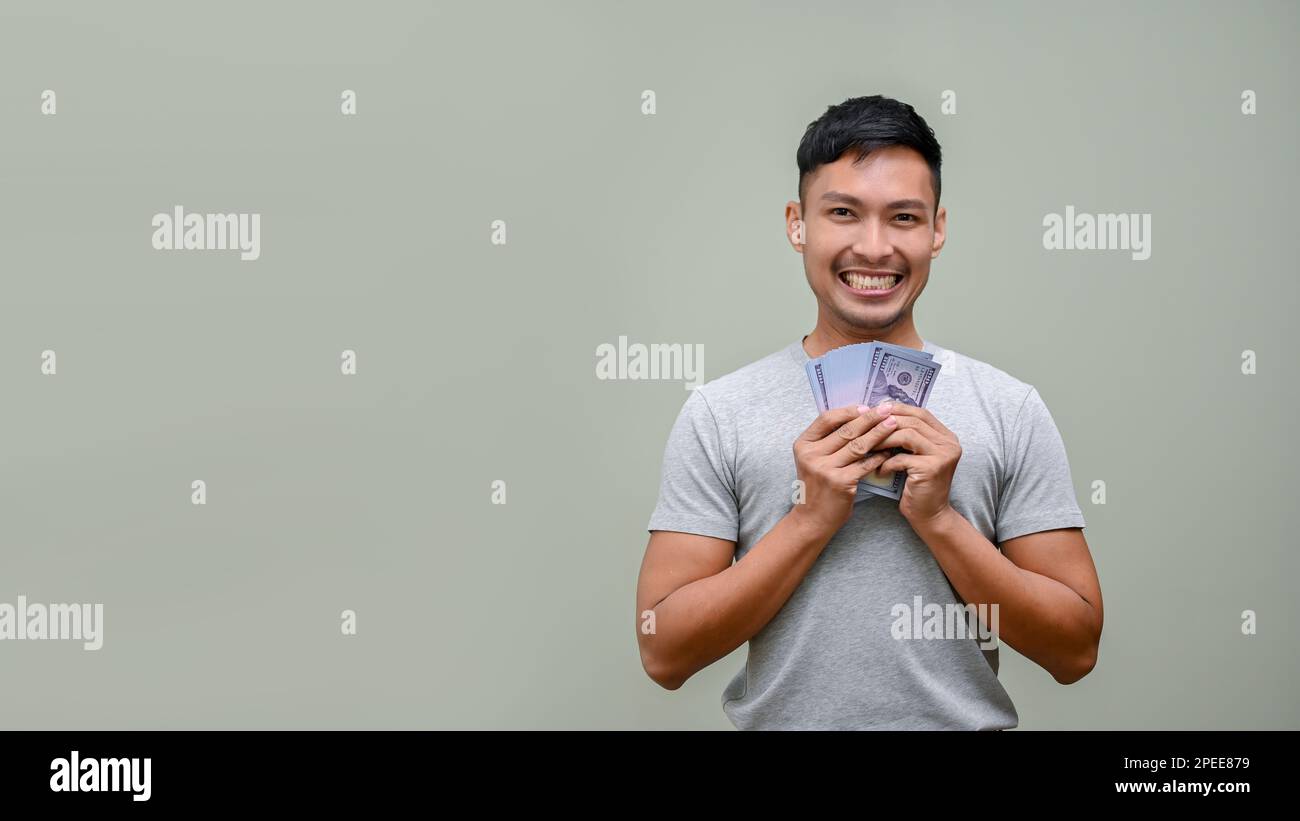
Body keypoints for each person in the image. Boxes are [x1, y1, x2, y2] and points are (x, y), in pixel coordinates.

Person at [636, 95, 1103, 730]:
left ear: (938, 229)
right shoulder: (721, 412)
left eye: (904, 217)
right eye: (843, 213)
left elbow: (1074, 650)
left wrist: (940, 519)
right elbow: (664, 651)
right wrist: (809, 520)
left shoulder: (1009, 408)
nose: (875, 247)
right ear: (797, 223)